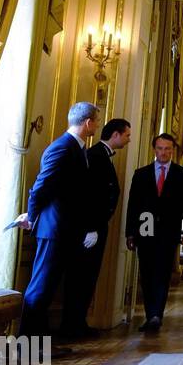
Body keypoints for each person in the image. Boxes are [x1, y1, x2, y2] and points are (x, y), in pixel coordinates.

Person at [16, 102, 101, 339]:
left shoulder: (76, 147)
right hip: (54, 230)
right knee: (40, 289)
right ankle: (26, 346)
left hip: (64, 230)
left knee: (48, 289)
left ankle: (39, 342)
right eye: (96, 121)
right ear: (88, 123)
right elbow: (41, 187)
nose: (97, 125)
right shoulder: (63, 148)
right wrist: (32, 217)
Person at [59, 117, 131, 340]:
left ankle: (78, 323)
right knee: (81, 277)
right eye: (127, 135)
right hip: (88, 231)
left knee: (88, 278)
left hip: (96, 228)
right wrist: (91, 227)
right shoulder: (95, 156)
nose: (129, 139)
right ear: (116, 135)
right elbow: (87, 196)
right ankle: (72, 327)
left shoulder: (101, 155)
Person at [125, 134, 183, 332]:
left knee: (162, 273)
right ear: (154, 149)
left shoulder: (182, 174)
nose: (164, 152)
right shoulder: (141, 174)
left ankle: (156, 315)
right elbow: (133, 206)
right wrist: (130, 233)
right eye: (160, 148)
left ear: (173, 150)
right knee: (147, 273)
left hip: (169, 232)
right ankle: (150, 314)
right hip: (145, 231)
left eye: (168, 149)